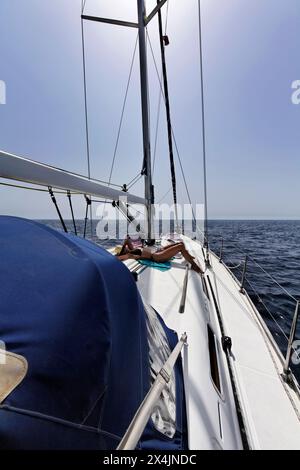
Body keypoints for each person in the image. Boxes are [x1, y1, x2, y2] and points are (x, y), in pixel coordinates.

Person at [116, 236, 203, 273]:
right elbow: (120, 258)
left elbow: (127, 240)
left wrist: (124, 246)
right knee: (180, 246)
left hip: (157, 251)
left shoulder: (131, 249)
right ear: (124, 251)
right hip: (157, 256)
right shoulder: (131, 254)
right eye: (124, 249)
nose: (126, 247)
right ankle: (194, 265)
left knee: (180, 243)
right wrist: (121, 253)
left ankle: (187, 255)